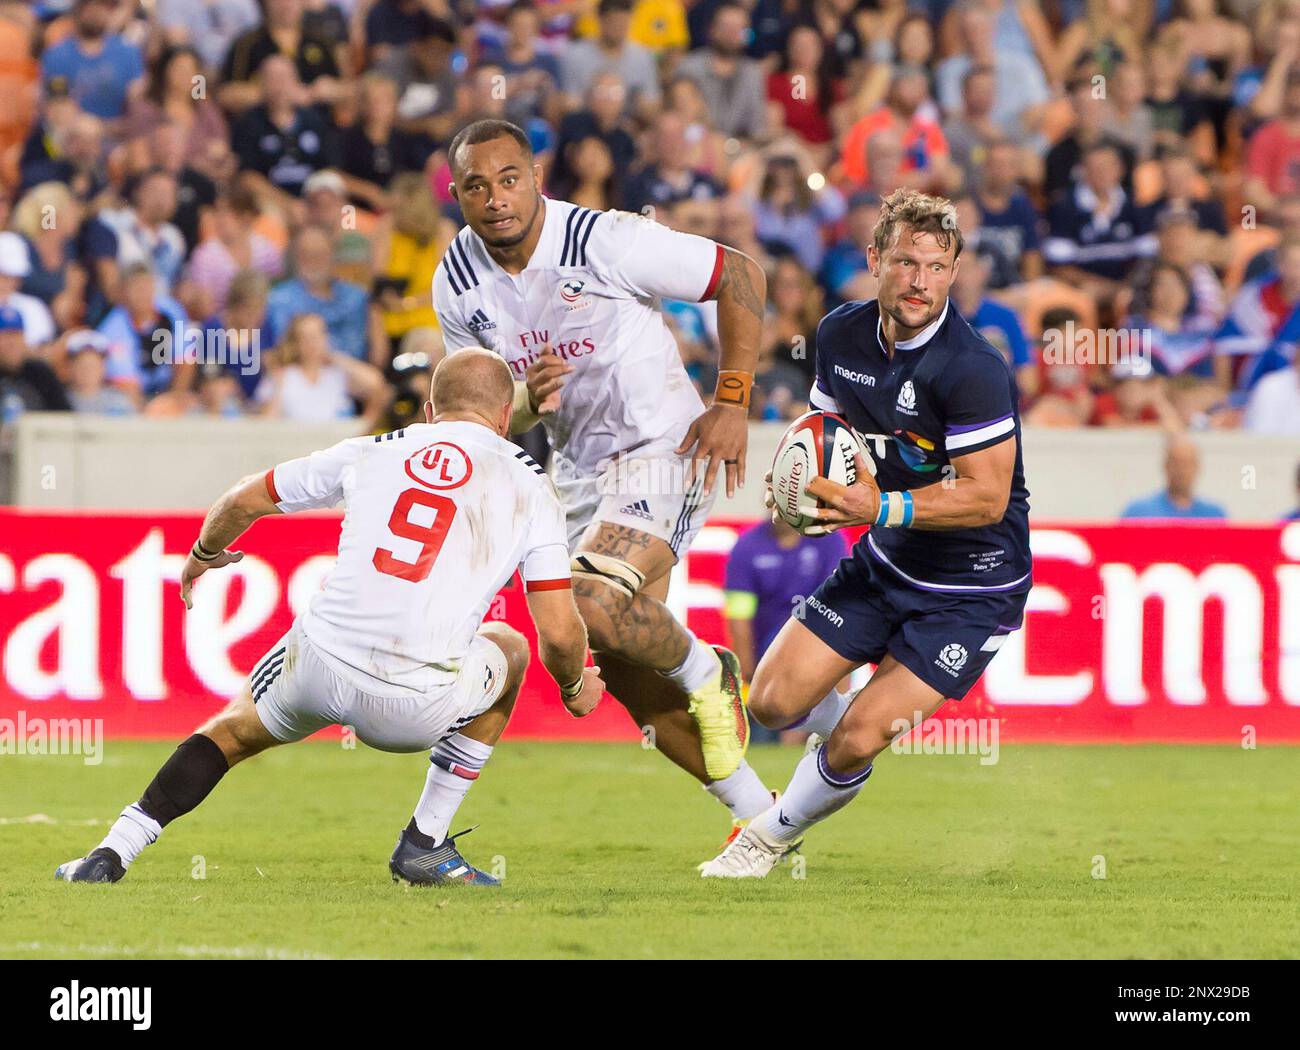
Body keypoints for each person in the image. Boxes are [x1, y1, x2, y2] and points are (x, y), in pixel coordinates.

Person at [55, 350, 605, 886]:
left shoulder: (371, 449)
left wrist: (203, 554)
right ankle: (425, 844)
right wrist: (575, 684)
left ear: (431, 411)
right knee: (508, 646)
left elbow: (244, 499)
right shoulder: (533, 487)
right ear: (508, 416)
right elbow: (557, 631)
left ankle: (111, 852)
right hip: (415, 706)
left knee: (231, 732)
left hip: (319, 666)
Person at [432, 119, 774, 851]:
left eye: (509, 179)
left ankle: (706, 665)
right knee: (621, 665)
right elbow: (483, 410)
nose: (496, 199)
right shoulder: (456, 282)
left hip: (663, 447)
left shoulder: (605, 240)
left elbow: (741, 273)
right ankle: (764, 817)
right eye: (476, 186)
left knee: (586, 603)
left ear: (536, 176)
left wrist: (735, 399)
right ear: (457, 196)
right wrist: (523, 398)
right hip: (578, 477)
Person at [700, 189, 1032, 877]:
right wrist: (797, 492)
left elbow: (987, 497)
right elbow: (825, 442)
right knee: (769, 700)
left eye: (938, 268)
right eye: (907, 262)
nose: (921, 281)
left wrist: (879, 510)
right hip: (887, 562)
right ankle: (853, 736)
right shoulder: (840, 334)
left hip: (970, 587)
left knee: (856, 738)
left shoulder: (972, 369)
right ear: (875, 259)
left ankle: (768, 838)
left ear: (955, 272)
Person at [724, 516, 849, 741]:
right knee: (759, 738)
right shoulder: (747, 546)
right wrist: (748, 675)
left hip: (816, 650)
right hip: (765, 656)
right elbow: (739, 617)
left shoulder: (829, 542)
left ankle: (833, 726)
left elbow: (839, 607)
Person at [1119, 434, 1228, 519]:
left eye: (1187, 464)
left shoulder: (1214, 515)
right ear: (1165, 466)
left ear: (1197, 467)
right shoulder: (1138, 513)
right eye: (1175, 463)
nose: (1181, 471)